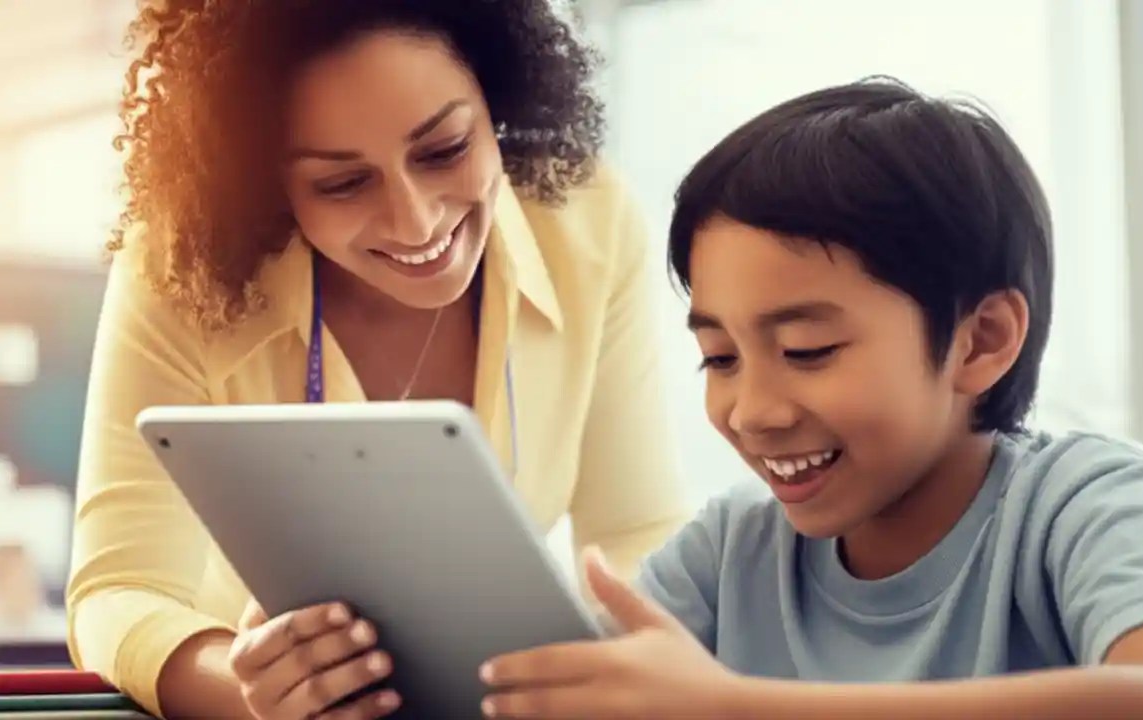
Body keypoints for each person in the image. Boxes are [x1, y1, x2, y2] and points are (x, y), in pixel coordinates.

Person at [477, 78, 1143, 719]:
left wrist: (733, 708)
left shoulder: (1082, 503)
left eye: (807, 351)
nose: (753, 411)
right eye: (719, 357)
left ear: (981, 341)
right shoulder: (729, 553)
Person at [66, 2, 689, 718]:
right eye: (342, 184)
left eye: (446, 149)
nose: (416, 221)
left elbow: (638, 531)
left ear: (496, 96)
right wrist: (249, 692)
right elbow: (117, 591)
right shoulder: (183, 269)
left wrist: (618, 672)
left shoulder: (588, 218)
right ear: (267, 182)